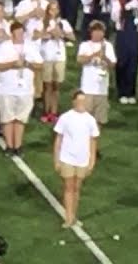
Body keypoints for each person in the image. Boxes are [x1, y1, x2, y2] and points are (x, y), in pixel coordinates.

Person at [0, 20, 42, 156]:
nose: (20, 35)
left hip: (25, 89)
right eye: (17, 32)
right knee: (8, 118)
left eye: (22, 32)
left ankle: (18, 145)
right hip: (7, 88)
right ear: (12, 33)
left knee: (21, 118)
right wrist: (13, 64)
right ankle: (9, 146)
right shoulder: (4, 47)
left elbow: (39, 65)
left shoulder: (31, 47)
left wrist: (26, 63)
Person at [54, 90, 99, 228]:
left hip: (82, 159)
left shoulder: (90, 120)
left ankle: (73, 214)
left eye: (83, 101)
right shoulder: (65, 117)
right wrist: (56, 159)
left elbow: (93, 141)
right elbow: (58, 140)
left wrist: (92, 161)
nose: (81, 104)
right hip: (67, 158)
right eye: (79, 101)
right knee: (69, 187)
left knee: (77, 188)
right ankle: (68, 217)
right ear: (73, 101)